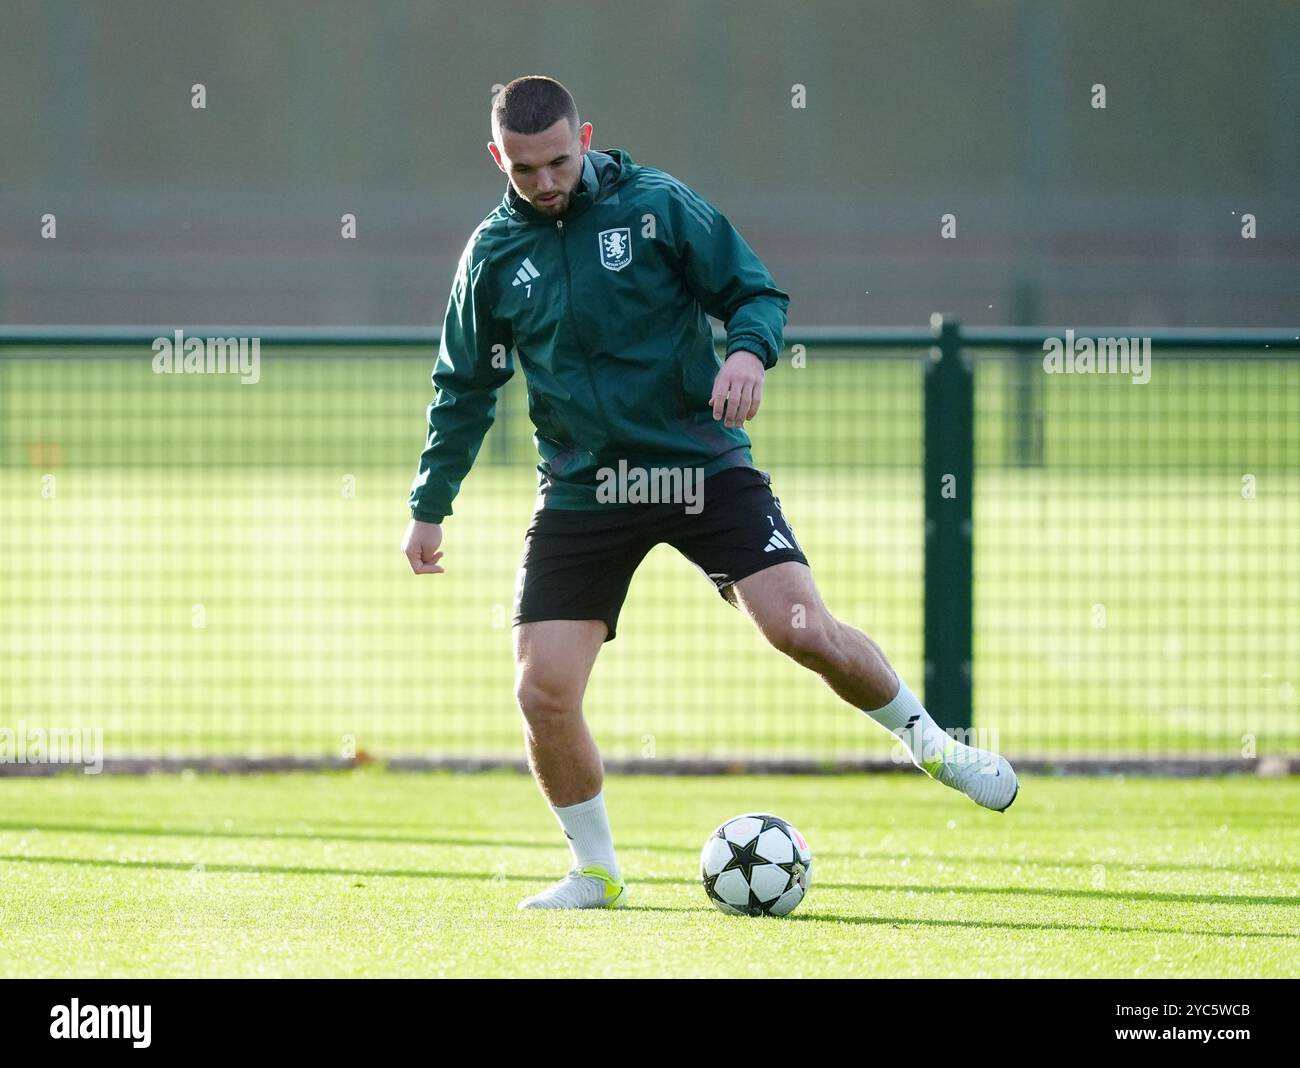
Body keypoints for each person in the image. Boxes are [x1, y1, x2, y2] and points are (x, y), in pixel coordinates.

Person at [402, 75, 1018, 911]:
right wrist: (430, 505)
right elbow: (464, 386)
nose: (544, 183)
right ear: (496, 158)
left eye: (556, 162)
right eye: (522, 170)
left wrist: (747, 354)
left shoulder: (657, 207)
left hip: (700, 464)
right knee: (541, 688)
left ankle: (933, 745)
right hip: (586, 487)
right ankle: (596, 870)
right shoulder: (491, 256)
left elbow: (755, 291)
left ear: (586, 142)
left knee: (802, 630)